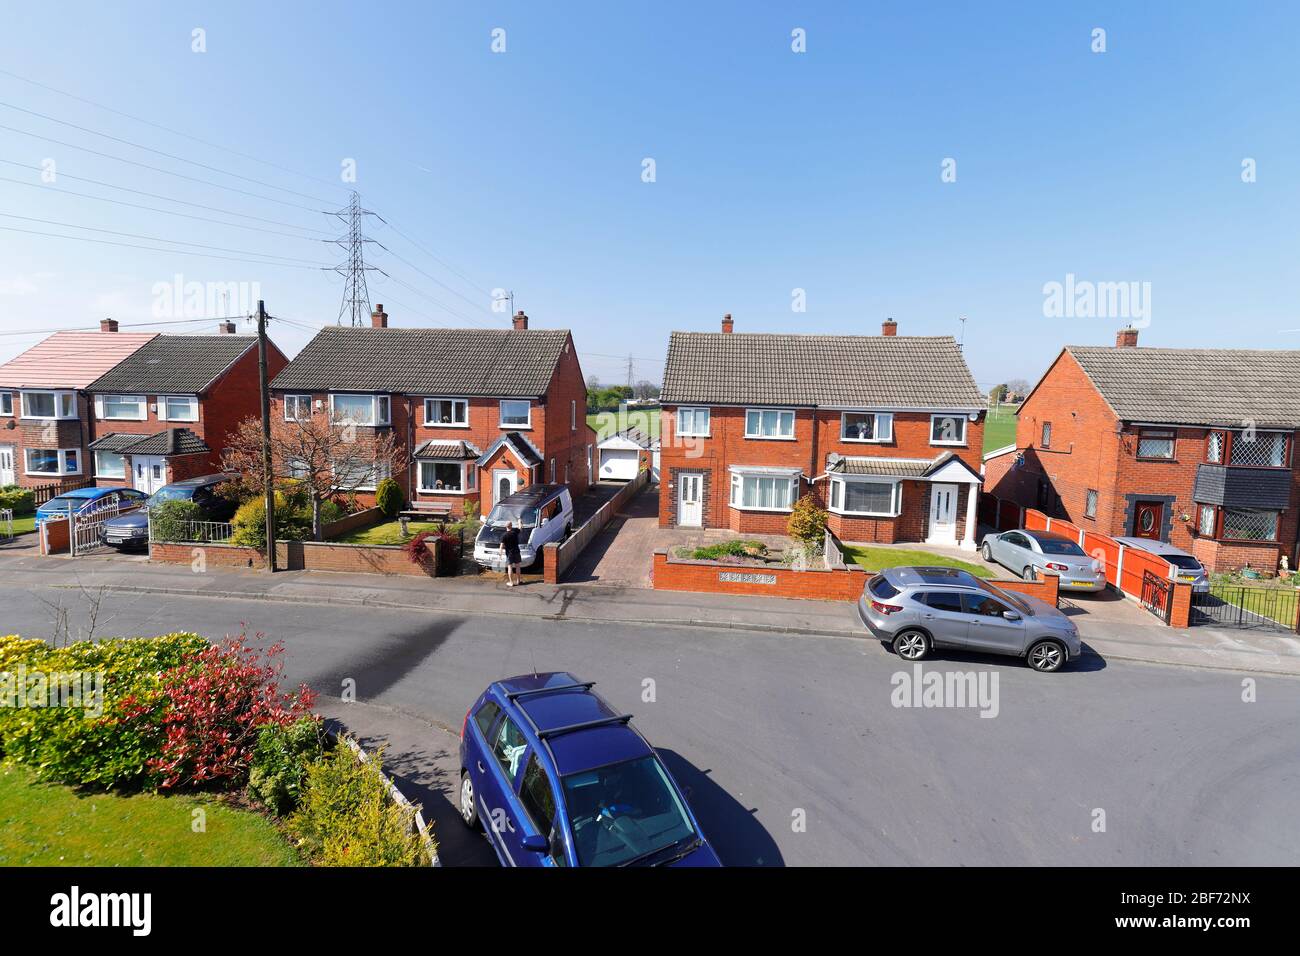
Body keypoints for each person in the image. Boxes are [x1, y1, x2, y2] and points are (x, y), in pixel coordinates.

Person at [501, 521, 523, 587]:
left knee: (510, 567)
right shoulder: (515, 532)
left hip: (509, 553)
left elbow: (501, 546)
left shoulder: (504, 535)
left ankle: (511, 582)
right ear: (511, 526)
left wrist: (500, 553)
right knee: (518, 566)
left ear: (506, 526)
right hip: (516, 551)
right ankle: (518, 581)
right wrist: (519, 522)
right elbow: (520, 528)